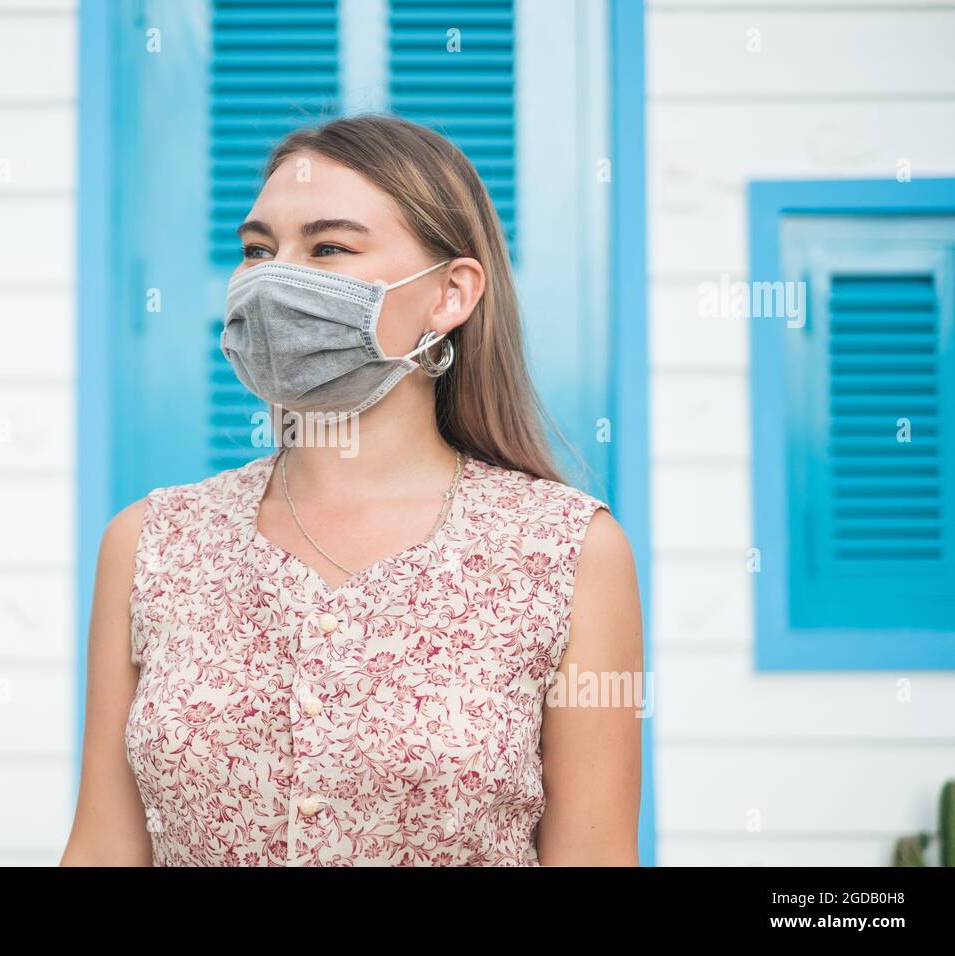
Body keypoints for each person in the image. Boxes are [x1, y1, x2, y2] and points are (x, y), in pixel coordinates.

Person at [61, 114, 643, 866]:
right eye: (257, 251)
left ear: (450, 295)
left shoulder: (568, 551)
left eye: (328, 247)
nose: (273, 278)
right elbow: (104, 848)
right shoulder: (150, 542)